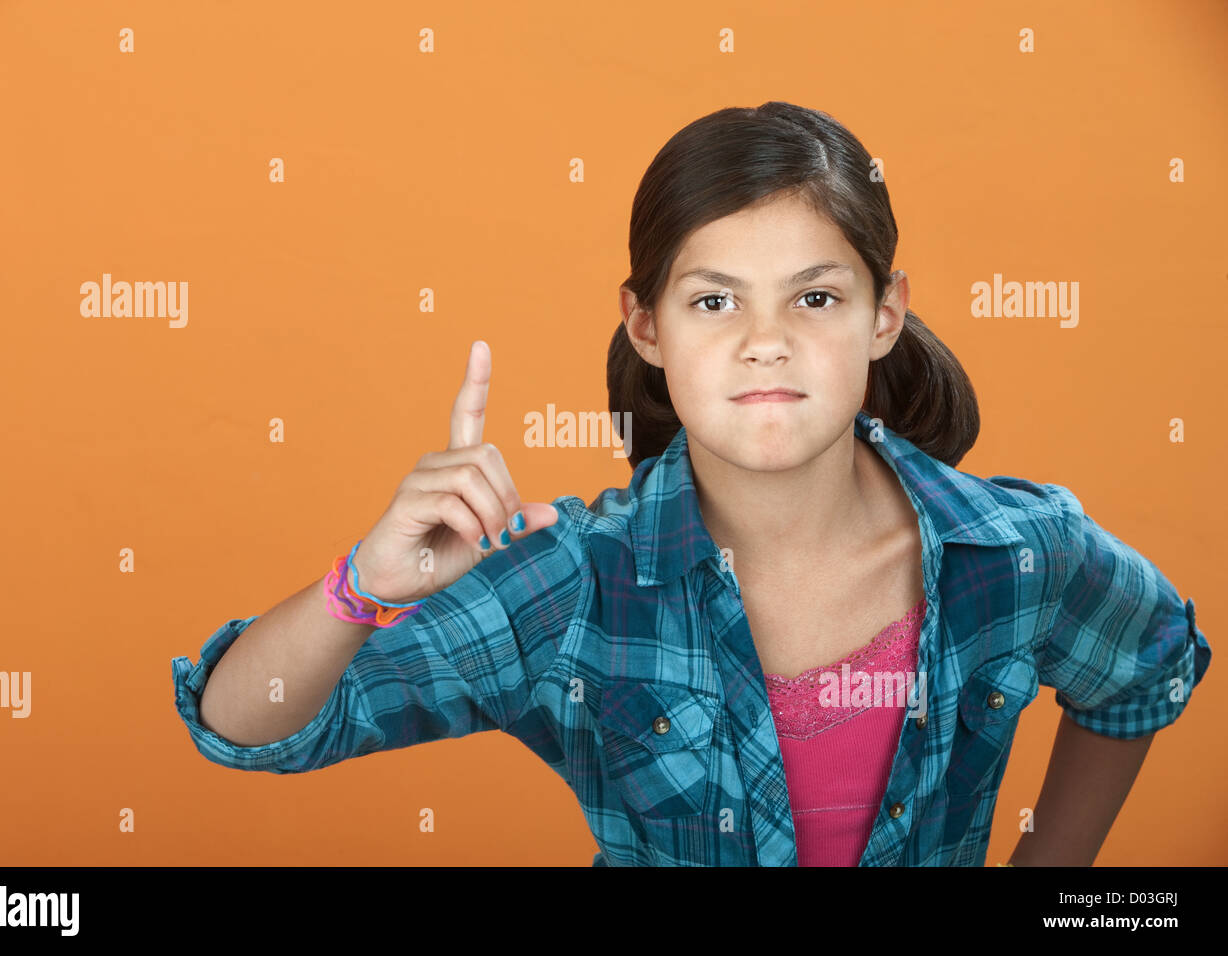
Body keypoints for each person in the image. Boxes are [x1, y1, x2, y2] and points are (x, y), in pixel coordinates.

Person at [170, 101, 1211, 866]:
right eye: (715, 302)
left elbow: (1146, 662)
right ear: (647, 325)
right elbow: (247, 723)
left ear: (883, 314)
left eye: (813, 295)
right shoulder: (577, 582)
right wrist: (366, 582)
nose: (766, 343)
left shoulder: (1011, 552)